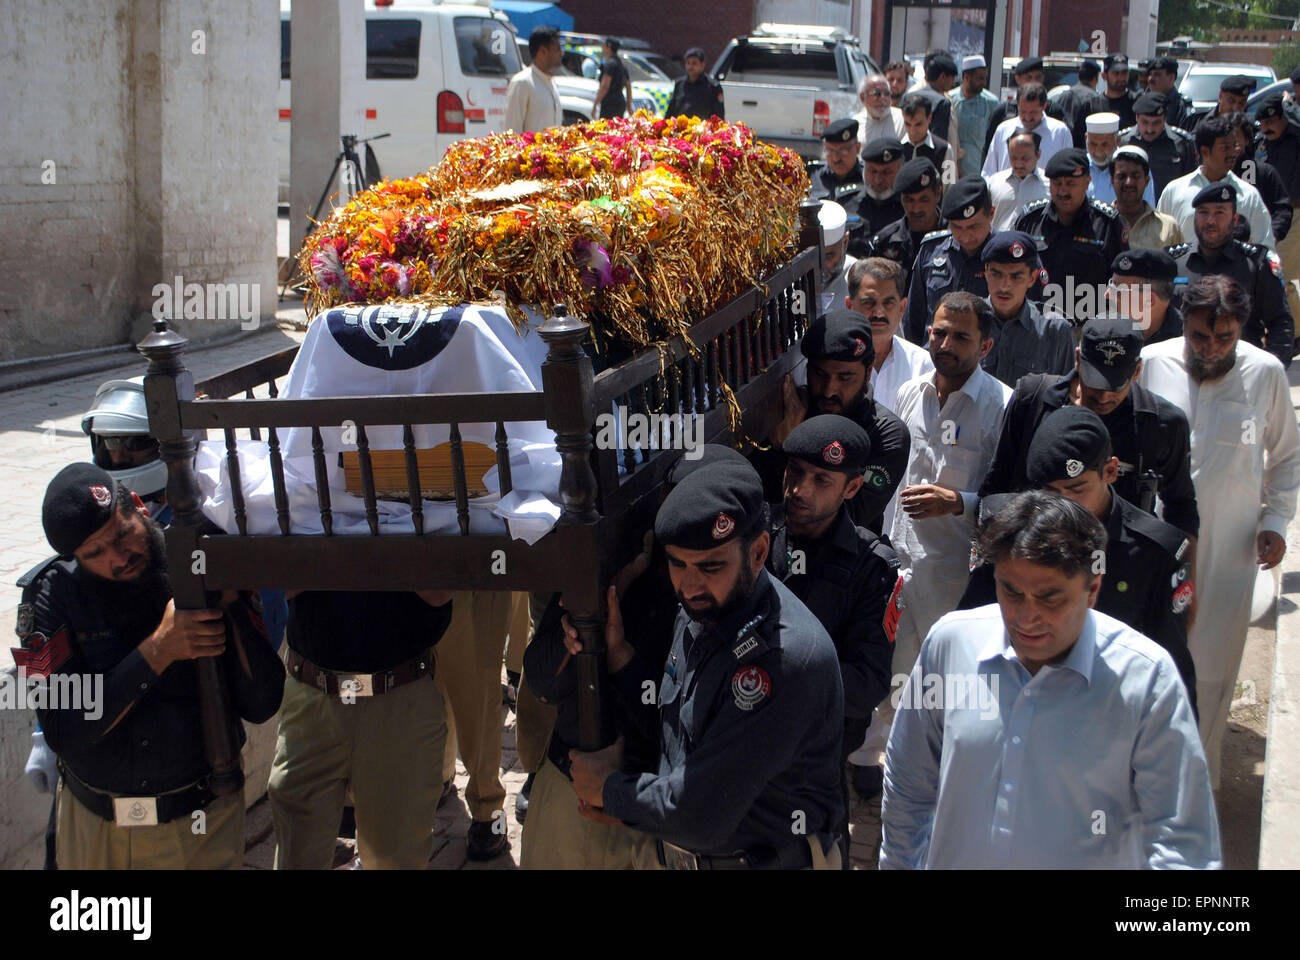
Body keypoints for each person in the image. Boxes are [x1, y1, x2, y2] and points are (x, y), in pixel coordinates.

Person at [880, 490, 1220, 869]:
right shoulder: (950, 645)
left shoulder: (1147, 680)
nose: (1027, 616)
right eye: (1011, 591)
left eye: (1050, 597)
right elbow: (909, 782)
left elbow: (1182, 839)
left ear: (1092, 589)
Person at [568, 461, 845, 870]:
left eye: (711, 566)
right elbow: (680, 730)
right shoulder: (706, 608)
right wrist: (620, 654)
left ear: (758, 552)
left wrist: (610, 791)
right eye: (677, 564)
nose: (690, 585)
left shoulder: (783, 660)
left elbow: (699, 817)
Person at [14, 463, 284, 869]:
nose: (119, 558)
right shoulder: (48, 596)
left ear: (139, 506)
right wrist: (158, 650)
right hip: (95, 829)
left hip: (200, 823)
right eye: (95, 554)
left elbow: (263, 703)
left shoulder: (194, 564)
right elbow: (62, 730)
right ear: (74, 557)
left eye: (123, 535)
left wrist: (229, 604)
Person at [519, 446, 743, 868]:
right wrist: (590, 618)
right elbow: (542, 684)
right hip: (569, 789)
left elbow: (700, 731)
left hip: (653, 809)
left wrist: (622, 659)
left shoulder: (742, 612)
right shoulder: (613, 563)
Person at [1139, 275, 1300, 788]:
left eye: (1224, 338)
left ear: (1241, 330)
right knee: (1150, 658)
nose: (1210, 349)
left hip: (1229, 551)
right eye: (1200, 337)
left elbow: (1287, 457)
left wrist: (1274, 520)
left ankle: (1197, 787)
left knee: (1211, 668)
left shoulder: (1266, 373)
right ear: (1182, 322)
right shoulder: (1153, 362)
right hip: (1156, 544)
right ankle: (1142, 778)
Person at [853, 291, 1011, 801]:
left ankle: (946, 783)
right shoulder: (911, 393)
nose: (945, 344)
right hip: (899, 561)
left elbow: (1011, 496)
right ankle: (885, 765)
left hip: (954, 574)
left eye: (960, 336)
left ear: (984, 345)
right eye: (939, 332)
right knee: (895, 671)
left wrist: (958, 501)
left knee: (946, 682)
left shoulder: (1000, 406)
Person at [961, 407, 1198, 711]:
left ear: (1110, 472)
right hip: (1010, 701)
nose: (1063, 505)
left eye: (1076, 489)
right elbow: (973, 628)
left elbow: (1170, 669)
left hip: (1102, 713)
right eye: (1049, 492)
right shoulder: (1004, 525)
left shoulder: (1155, 552)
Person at [768, 415, 901, 861]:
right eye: (795, 473)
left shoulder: (872, 568)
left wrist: (777, 676)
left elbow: (866, 684)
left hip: (814, 768)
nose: (799, 489)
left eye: (821, 479)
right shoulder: (758, 536)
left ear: (852, 488)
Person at [978, 314, 1199, 538]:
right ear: (1077, 360)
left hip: (1119, 562)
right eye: (1094, 381)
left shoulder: (1162, 424)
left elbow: (1180, 507)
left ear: (1137, 371)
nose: (1103, 396)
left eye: (1115, 385)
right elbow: (996, 485)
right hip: (1035, 555)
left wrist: (1185, 568)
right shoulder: (1032, 399)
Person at [760, 309, 911, 536]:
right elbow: (759, 500)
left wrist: (788, 447)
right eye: (820, 374)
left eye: (844, 378)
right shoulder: (788, 412)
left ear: (868, 372)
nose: (829, 391)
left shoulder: (886, 433)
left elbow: (853, 516)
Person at [1168, 182, 1294, 367]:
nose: (1210, 220)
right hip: (1185, 371)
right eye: (1203, 212)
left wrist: (1269, 369)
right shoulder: (1175, 263)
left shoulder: (1255, 264)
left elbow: (1280, 322)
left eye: (1220, 212)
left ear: (1234, 219)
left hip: (1241, 373)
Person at [1016, 148, 1127, 325]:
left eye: (1070, 183)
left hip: (1088, 327)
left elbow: (1122, 282)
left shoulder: (1107, 223)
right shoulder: (1030, 221)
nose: (1062, 191)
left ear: (1087, 182)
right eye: (1057, 183)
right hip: (1038, 328)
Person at [1157, 115, 1276, 250]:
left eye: (1234, 146)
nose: (1233, 153)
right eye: (1225, 148)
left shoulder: (1249, 195)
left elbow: (1265, 247)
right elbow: (1160, 242)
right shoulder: (1175, 191)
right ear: (1205, 151)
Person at [903, 175, 998, 344]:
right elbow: (914, 318)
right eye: (957, 227)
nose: (966, 236)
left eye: (974, 226)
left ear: (991, 213)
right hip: (934, 359)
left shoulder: (1007, 256)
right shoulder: (932, 250)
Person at [978, 230, 1075, 384]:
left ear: (1032, 278)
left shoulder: (1054, 330)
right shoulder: (967, 320)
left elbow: (1065, 395)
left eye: (1016, 276)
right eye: (997, 274)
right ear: (986, 273)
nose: (1004, 286)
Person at [845, 258, 934, 415]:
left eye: (888, 303)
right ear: (850, 306)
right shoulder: (833, 364)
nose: (879, 312)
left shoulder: (924, 366)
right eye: (868, 302)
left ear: (902, 308)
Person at [1255, 91, 1300, 333]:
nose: (1267, 128)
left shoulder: (1295, 138)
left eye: (1272, 121)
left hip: (1295, 213)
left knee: (1282, 274)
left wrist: (1290, 107)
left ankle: (1294, 332)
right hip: (1267, 215)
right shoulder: (1260, 144)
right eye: (1263, 123)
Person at [865, 158, 944, 289]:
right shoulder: (885, 242)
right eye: (909, 200)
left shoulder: (955, 236)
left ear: (938, 194)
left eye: (924, 200)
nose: (916, 208)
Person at [980, 57, 1066, 166]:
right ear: (1018, 79)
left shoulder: (1055, 115)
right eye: (1029, 77)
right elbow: (989, 153)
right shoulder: (1003, 114)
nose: (1028, 117)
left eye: (1038, 77)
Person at [811, 120, 876, 253]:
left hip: (854, 255)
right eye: (830, 150)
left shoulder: (869, 179)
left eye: (843, 151)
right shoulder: (813, 176)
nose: (836, 158)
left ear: (857, 148)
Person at [983, 83, 1073, 177]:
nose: (1027, 117)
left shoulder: (1060, 132)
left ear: (1044, 106)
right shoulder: (1003, 130)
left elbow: (1068, 171)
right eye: (1023, 111)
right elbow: (989, 172)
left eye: (1033, 112)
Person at [1120, 92, 1198, 199]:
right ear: (1137, 118)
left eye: (1156, 123)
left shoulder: (1182, 143)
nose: (1150, 129)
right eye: (1145, 122)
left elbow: (1190, 184)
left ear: (1165, 118)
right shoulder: (1123, 142)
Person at [1229, 112, 1291, 244]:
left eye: (1236, 137)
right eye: (1227, 138)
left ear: (1246, 139)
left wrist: (1271, 237)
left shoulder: (1263, 172)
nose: (1232, 143)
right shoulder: (1211, 172)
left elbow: (1282, 210)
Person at [1109, 145, 1183, 250]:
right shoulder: (1101, 225)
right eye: (1122, 177)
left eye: (1135, 176)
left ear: (1147, 181)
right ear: (1112, 181)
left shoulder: (1168, 227)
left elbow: (1179, 264)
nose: (1129, 183)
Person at [1109, 247, 1184, 343]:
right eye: (1111, 285)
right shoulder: (1102, 332)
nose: (1107, 295)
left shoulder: (1187, 340)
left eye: (1118, 290)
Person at [1085, 112, 1154, 207]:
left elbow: (1147, 209)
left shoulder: (1136, 167)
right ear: (1086, 138)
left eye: (1104, 144)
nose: (1098, 151)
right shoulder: (1079, 167)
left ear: (1118, 140)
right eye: (1093, 144)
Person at [986, 128, 1049, 230]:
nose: (1019, 164)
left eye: (1025, 158)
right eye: (1013, 158)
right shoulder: (994, 182)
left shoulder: (1050, 185)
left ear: (1038, 154)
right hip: (999, 243)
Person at [504, 26, 562, 134]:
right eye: (557, 49)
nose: (561, 53)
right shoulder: (522, 83)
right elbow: (512, 131)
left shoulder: (552, 83)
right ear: (542, 51)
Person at [949, 55, 999, 177]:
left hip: (978, 172)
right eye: (980, 78)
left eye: (985, 78)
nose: (984, 82)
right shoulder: (950, 99)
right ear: (966, 77)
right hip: (951, 169)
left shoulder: (991, 102)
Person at [913, 52, 963, 166]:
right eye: (952, 79)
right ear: (943, 77)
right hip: (937, 163)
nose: (953, 83)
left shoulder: (946, 97)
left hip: (948, 161)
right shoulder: (919, 97)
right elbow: (939, 138)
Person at [855, 136, 907, 244]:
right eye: (872, 171)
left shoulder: (909, 206)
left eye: (886, 172)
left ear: (901, 170)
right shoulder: (846, 201)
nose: (878, 180)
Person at [1053, 59, 1106, 148]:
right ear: (1096, 78)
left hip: (1060, 147)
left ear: (1079, 77)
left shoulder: (1064, 95)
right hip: (1082, 150)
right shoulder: (1094, 99)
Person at [816, 200, 855, 316]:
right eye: (814, 257)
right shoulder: (786, 279)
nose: (821, 264)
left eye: (829, 256)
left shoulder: (863, 278)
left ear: (845, 242)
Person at [664, 46, 724, 120]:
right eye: (688, 63)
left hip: (701, 129)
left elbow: (719, 116)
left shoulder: (713, 86)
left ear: (702, 65)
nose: (690, 66)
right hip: (680, 129)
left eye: (694, 63)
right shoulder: (679, 84)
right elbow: (671, 111)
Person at [899, 92, 953, 174]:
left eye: (918, 124)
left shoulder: (944, 150)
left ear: (929, 118)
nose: (912, 131)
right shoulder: (898, 148)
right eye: (908, 124)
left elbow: (949, 183)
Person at [1186, 74, 1255, 132]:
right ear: (1220, 96)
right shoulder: (1196, 121)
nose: (1235, 108)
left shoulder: (1250, 128)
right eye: (1231, 101)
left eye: (1241, 103)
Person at [854, 73, 906, 146]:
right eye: (877, 93)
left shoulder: (903, 119)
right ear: (863, 97)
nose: (883, 98)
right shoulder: (856, 123)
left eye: (887, 93)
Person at [1146, 55, 1192, 131]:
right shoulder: (1142, 101)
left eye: (1157, 75)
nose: (1151, 79)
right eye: (1150, 74)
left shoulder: (1181, 106)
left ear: (1171, 78)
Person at [594, 37, 632, 120]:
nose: (602, 48)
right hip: (620, 102)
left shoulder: (609, 65)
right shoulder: (622, 65)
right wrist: (629, 106)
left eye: (604, 45)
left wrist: (595, 104)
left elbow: (605, 86)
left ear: (608, 47)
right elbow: (628, 86)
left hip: (609, 103)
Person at [1099, 53, 1137, 131]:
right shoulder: (1093, 104)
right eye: (1116, 73)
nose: (1121, 77)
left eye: (1124, 72)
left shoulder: (1137, 102)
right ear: (1104, 76)